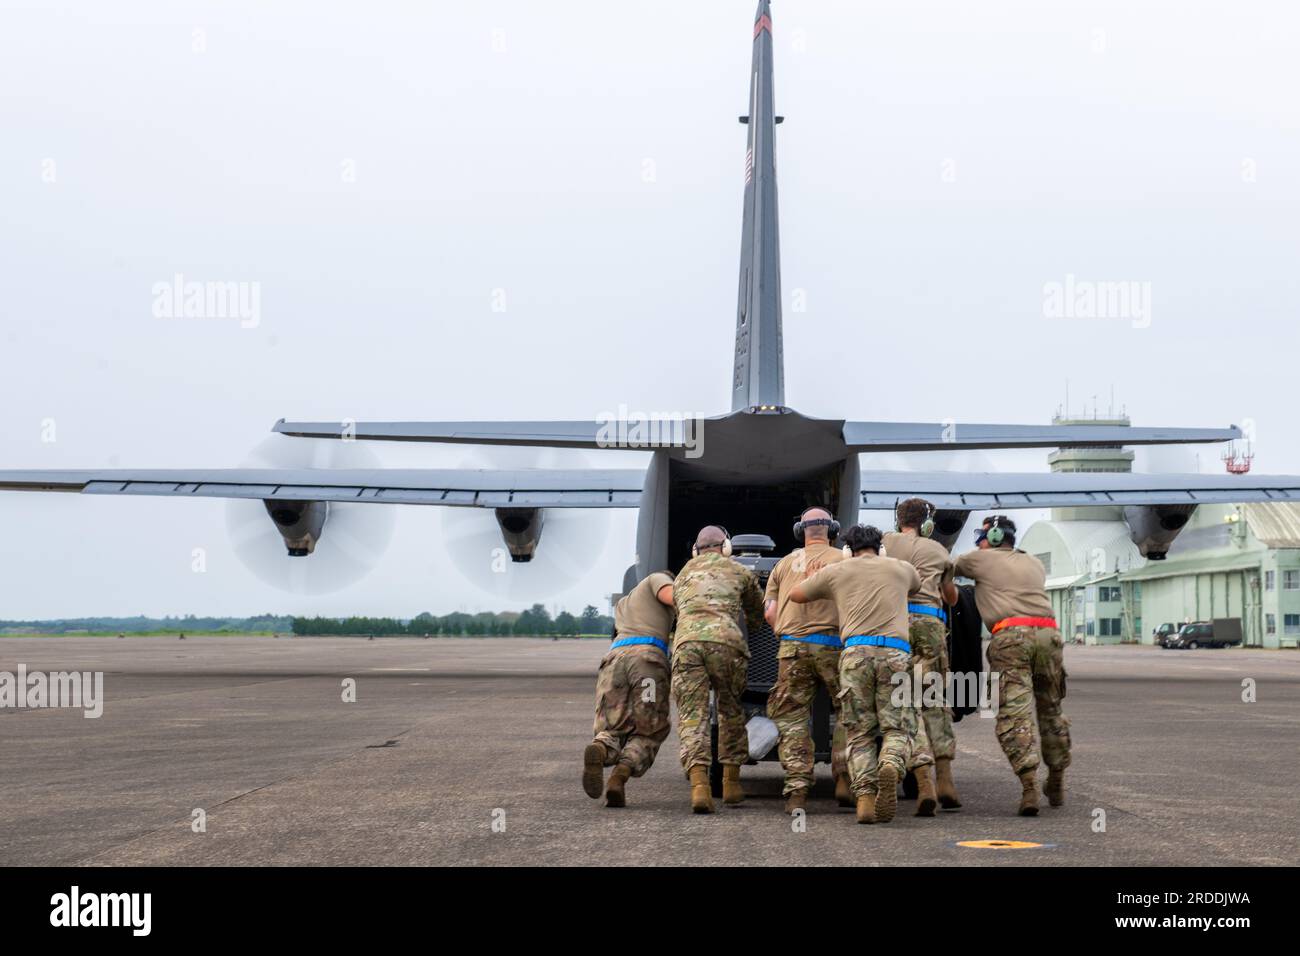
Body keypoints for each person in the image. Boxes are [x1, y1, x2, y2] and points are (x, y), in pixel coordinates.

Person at [791, 525, 921, 824]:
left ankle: (864, 798)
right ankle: (889, 763)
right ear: (881, 548)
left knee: (858, 731)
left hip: (854, 655)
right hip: (895, 655)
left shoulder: (838, 569)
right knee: (898, 728)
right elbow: (916, 586)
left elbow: (798, 595)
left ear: (848, 549)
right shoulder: (902, 568)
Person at [954, 515, 1071, 816]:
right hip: (1049, 634)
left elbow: (943, 566)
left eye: (980, 536)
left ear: (990, 538)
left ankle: (1029, 785)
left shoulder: (980, 560)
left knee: (1014, 715)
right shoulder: (1033, 562)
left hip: (1010, 637)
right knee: (1051, 710)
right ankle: (1056, 776)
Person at [671, 526, 765, 814]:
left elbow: (679, 610)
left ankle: (699, 785)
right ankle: (731, 784)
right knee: (730, 710)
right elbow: (756, 612)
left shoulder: (683, 574)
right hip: (727, 645)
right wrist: (752, 627)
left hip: (687, 645)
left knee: (692, 715)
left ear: (696, 550)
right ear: (726, 547)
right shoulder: (739, 571)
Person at [763, 507, 849, 815]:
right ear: (833, 530)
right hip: (835, 647)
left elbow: (770, 613)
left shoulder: (784, 564)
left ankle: (797, 790)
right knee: (848, 710)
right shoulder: (845, 560)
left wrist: (786, 634)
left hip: (793, 647)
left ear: (801, 531)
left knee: (792, 716)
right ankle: (845, 778)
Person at [883, 498, 962, 815]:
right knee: (934, 700)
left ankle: (923, 780)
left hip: (896, 623)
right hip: (930, 624)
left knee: (904, 702)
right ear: (927, 524)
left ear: (898, 520)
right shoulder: (939, 551)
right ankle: (945, 781)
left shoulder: (884, 543)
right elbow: (951, 596)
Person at [583, 571, 674, 807]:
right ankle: (619, 776)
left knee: (614, 725)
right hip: (646, 663)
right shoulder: (657, 579)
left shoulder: (624, 604)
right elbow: (672, 595)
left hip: (613, 662)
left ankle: (601, 748)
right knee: (650, 727)